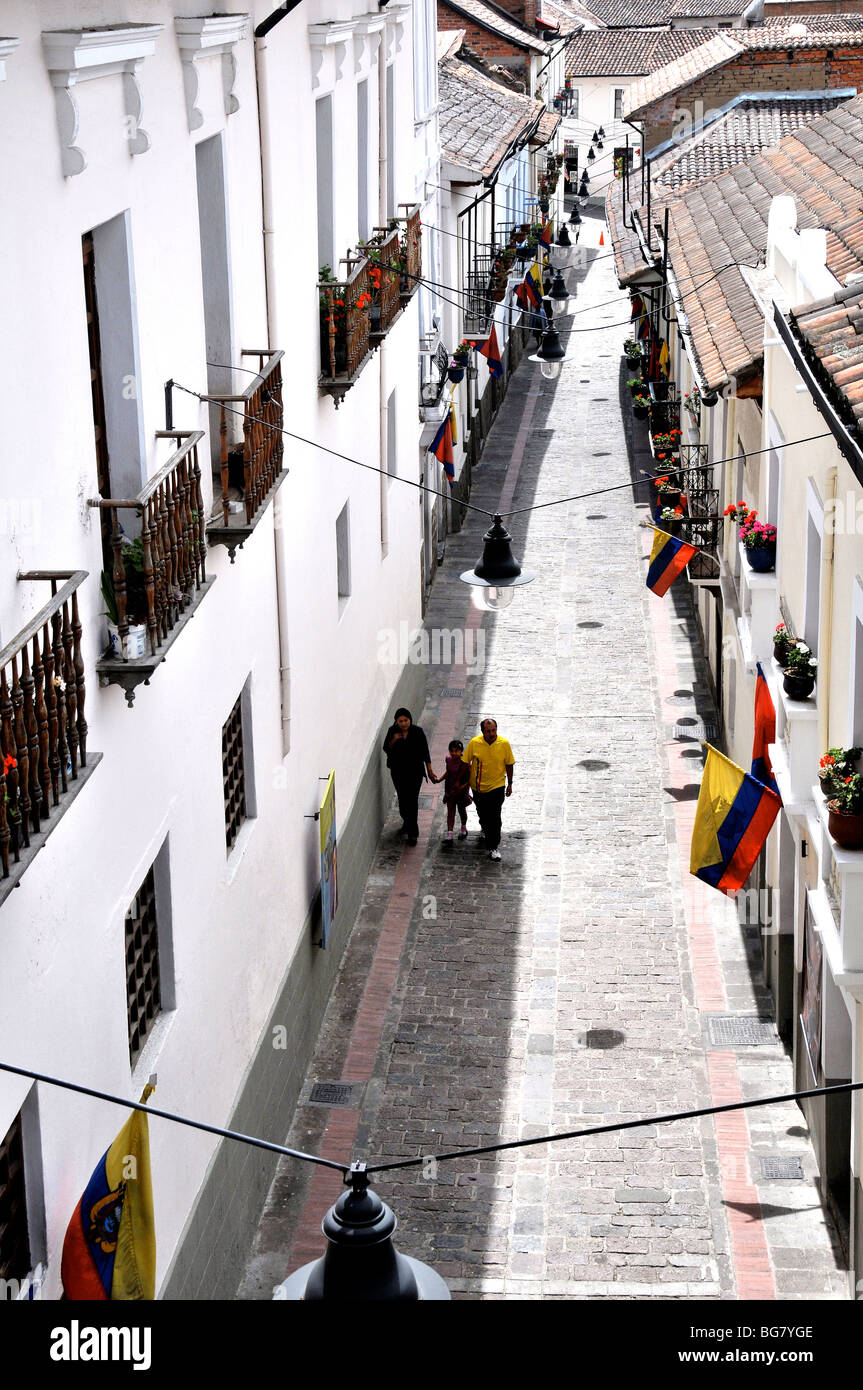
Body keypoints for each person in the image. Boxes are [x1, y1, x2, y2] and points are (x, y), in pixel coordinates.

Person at [382, 708, 438, 846]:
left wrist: (430, 770)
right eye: (400, 721)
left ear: (410, 719)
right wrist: (394, 740)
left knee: (412, 801)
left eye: (406, 720)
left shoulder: (417, 731)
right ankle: (407, 821)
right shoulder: (392, 731)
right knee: (403, 799)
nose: (403, 723)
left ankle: (413, 833)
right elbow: (386, 749)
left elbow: (425, 751)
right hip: (398, 772)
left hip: (415, 772)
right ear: (396, 721)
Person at [462, 718, 515, 861]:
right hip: (478, 788)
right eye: (488, 731)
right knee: (483, 814)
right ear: (483, 731)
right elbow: (465, 763)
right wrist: (464, 784)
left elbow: (509, 764)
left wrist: (509, 783)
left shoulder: (504, 744)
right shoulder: (474, 743)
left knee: (495, 818)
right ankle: (484, 826)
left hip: (497, 786)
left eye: (493, 730)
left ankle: (493, 847)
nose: (491, 733)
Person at [439, 739, 472, 849]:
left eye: (456, 751)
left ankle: (463, 827)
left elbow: (469, 779)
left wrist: (461, 788)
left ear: (461, 751)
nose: (454, 753)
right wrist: (440, 779)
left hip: (461, 791)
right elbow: (448, 772)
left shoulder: (465, 763)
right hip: (450, 790)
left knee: (461, 810)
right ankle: (449, 835)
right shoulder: (448, 760)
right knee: (451, 811)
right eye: (452, 751)